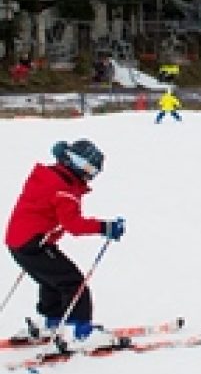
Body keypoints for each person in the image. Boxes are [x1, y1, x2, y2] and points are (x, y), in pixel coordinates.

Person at [4, 139, 126, 345]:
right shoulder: (63, 189)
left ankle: (52, 321)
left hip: (21, 242)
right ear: (74, 162)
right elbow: (74, 225)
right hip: (34, 243)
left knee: (52, 281)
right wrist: (105, 227)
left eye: (94, 172)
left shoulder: (50, 176)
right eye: (89, 169)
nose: (90, 176)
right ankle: (81, 330)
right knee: (73, 282)